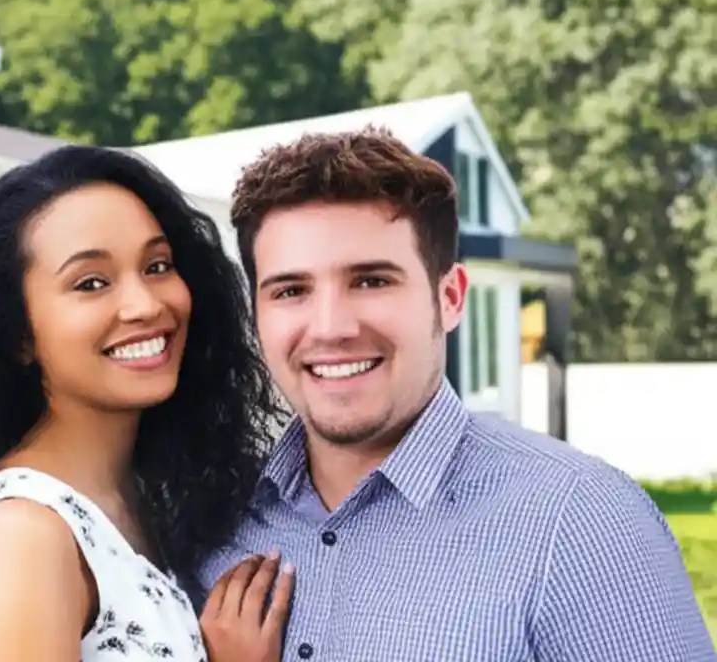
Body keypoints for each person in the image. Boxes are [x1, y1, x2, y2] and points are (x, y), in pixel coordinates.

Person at [195, 126, 716, 660]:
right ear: (257, 315)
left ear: (449, 297)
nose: (330, 327)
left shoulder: (581, 522)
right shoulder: (214, 520)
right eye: (291, 291)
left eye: (372, 281)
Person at [0, 145, 293, 661]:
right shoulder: (22, 535)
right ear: (17, 334)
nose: (145, 304)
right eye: (90, 283)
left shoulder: (141, 501)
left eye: (158, 265)